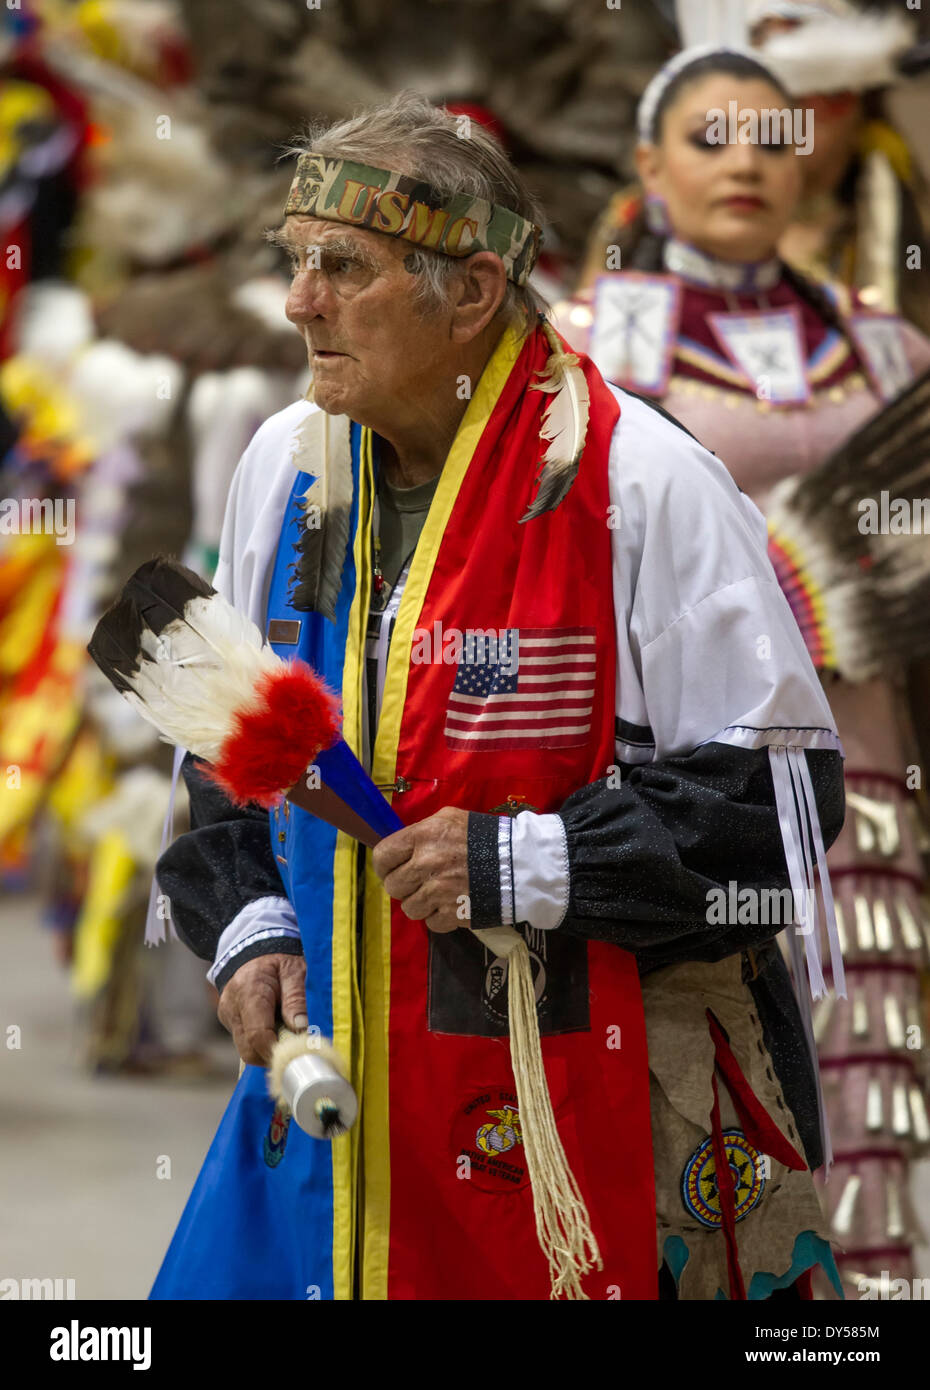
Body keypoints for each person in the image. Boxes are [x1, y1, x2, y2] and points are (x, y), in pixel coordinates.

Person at [152, 91, 846, 1301]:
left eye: (342, 269)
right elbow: (230, 743)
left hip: (592, 1114)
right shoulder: (288, 461)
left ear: (470, 292)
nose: (297, 301)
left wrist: (530, 858)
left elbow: (781, 815)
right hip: (342, 1110)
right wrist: (251, 929)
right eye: (296, 263)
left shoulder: (642, 479)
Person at [559, 46, 930, 1298]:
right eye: (710, 138)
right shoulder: (581, 347)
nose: (746, 165)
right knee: (706, 1078)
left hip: (862, 770)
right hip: (686, 783)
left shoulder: (880, 349)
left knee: (873, 1058)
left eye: (773, 139)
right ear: (648, 165)